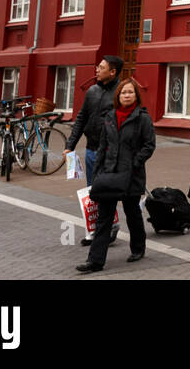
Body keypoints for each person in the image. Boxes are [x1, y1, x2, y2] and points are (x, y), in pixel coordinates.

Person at [76, 77, 155, 272]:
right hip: (110, 174)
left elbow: (149, 145)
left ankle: (138, 248)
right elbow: (102, 146)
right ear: (118, 96)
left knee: (132, 213)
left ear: (136, 95)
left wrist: (135, 163)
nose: (126, 95)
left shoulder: (142, 118)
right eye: (123, 92)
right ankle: (95, 261)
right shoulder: (110, 117)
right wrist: (97, 174)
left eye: (130, 92)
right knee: (104, 218)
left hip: (131, 175)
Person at [63, 55, 122, 245]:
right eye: (98, 66)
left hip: (109, 152)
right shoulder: (92, 91)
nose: (97, 69)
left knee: (105, 191)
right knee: (93, 191)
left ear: (112, 72)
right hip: (91, 149)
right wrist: (69, 145)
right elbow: (81, 118)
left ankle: (107, 229)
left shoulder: (120, 93)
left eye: (102, 67)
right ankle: (96, 227)